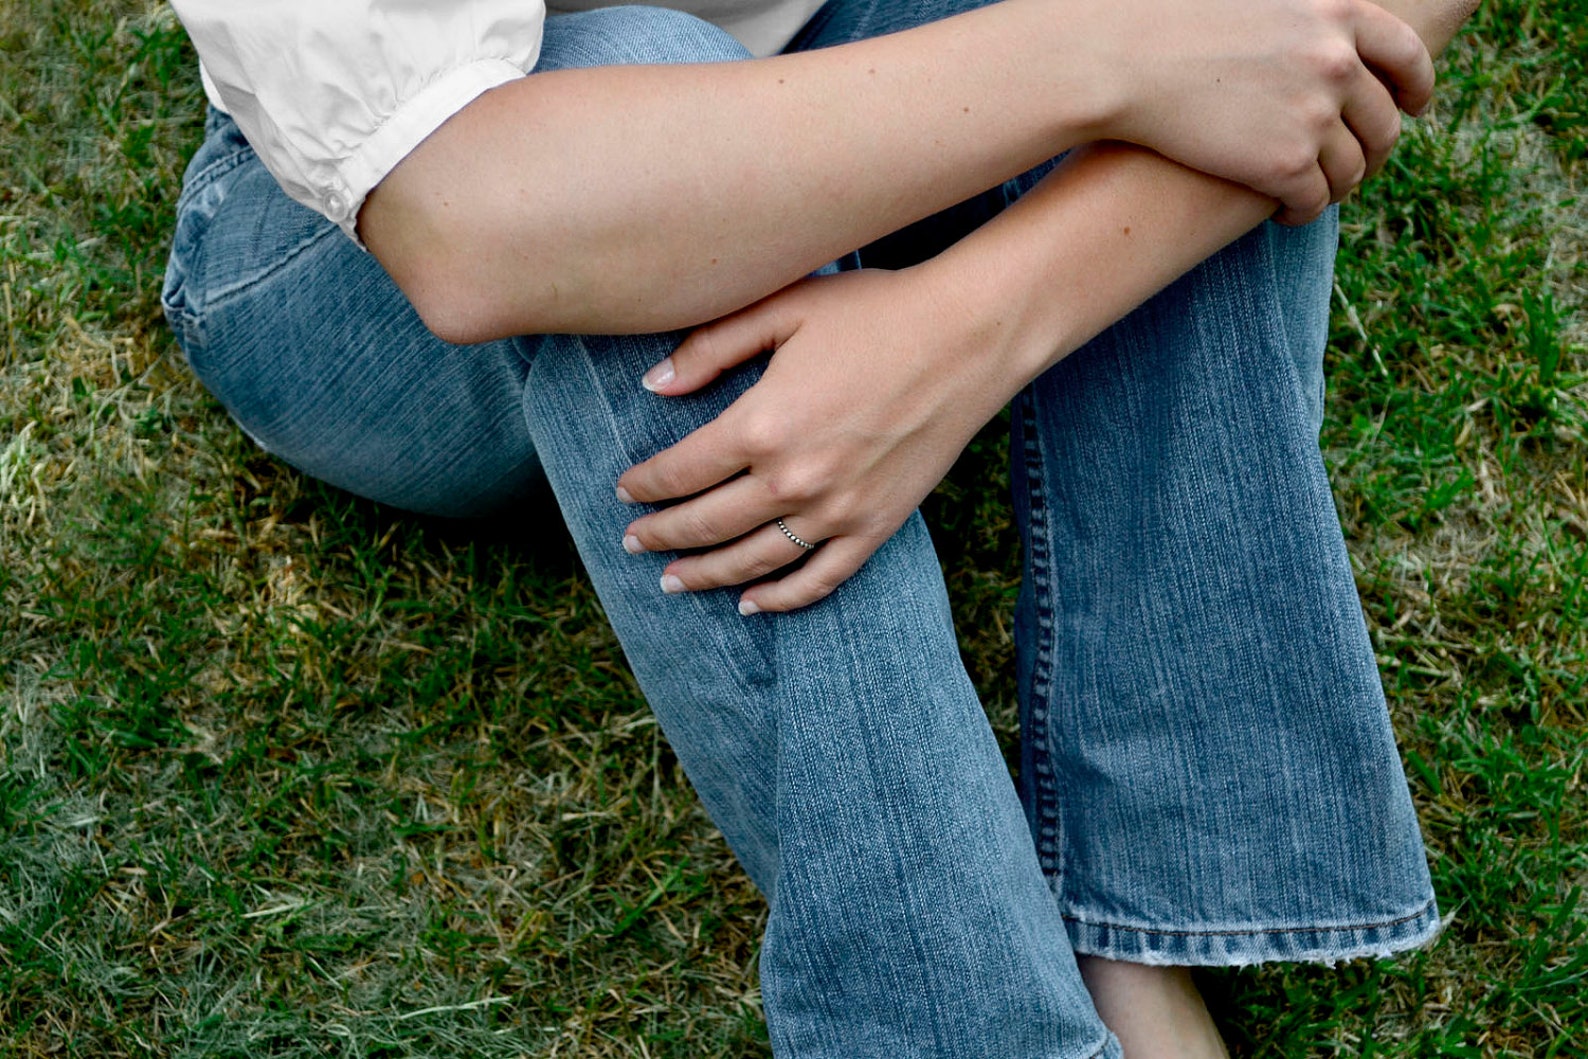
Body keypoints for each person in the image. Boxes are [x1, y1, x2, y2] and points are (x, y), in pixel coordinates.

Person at [161, 0, 1476, 1053]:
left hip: (868, 55)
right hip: (382, 246)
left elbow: (1322, 26)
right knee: (638, 73)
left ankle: (1143, 943)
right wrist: (1118, 48)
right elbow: (471, 217)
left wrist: (971, 328)